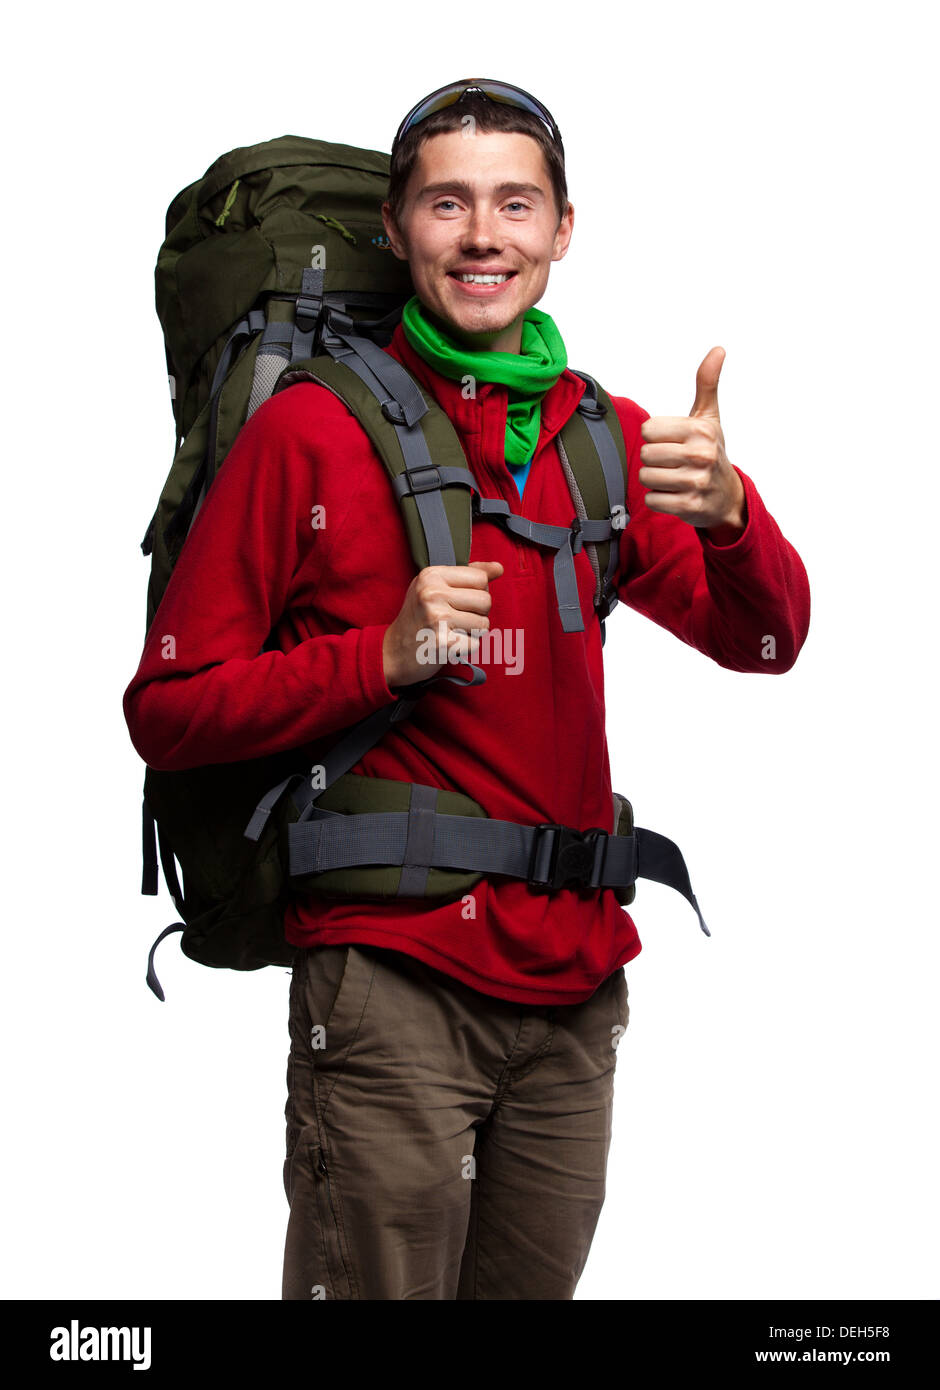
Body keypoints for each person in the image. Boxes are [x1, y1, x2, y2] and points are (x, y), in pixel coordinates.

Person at [123, 79, 810, 1300]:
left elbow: (765, 644)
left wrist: (733, 518)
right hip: (391, 986)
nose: (482, 234)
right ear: (397, 230)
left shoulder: (600, 436)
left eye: (514, 203)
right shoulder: (309, 435)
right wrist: (374, 658)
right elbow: (166, 712)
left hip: (576, 991)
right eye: (448, 202)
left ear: (560, 228)